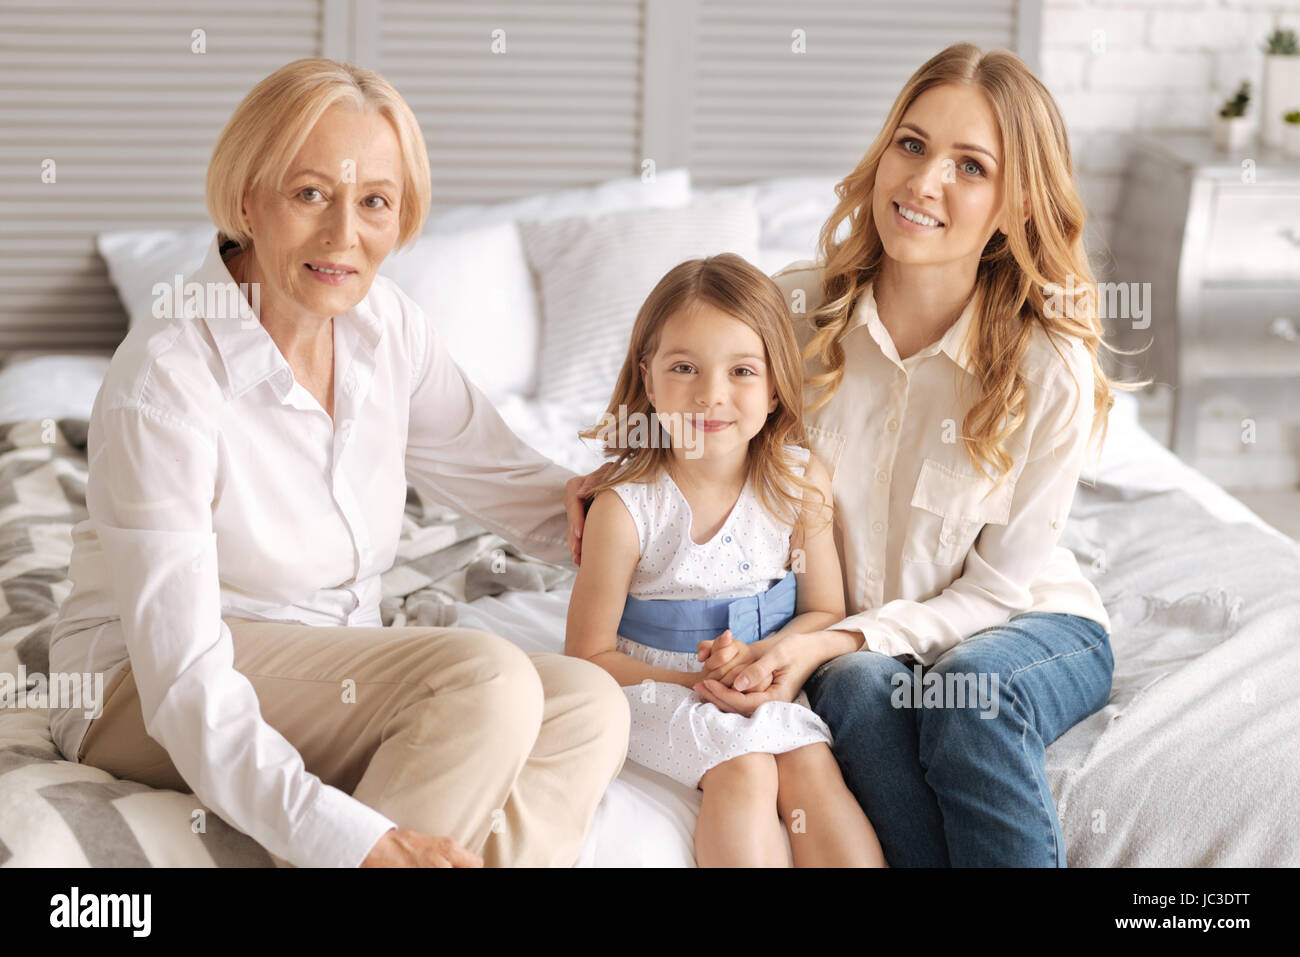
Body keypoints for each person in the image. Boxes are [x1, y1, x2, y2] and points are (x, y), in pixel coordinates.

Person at [565, 43, 1141, 867]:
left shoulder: (1050, 364)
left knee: (964, 701)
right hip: (854, 642)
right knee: (855, 693)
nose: (925, 182)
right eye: (912, 145)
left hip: (1022, 619)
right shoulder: (796, 312)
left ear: (1015, 206)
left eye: (969, 166)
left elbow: (1001, 587)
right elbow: (699, 394)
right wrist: (618, 471)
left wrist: (832, 640)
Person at [47, 57, 628, 869]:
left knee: (588, 705)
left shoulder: (386, 325)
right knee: (485, 681)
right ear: (249, 198)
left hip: (331, 672)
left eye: (374, 203)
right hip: (145, 686)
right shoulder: (169, 377)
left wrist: (663, 519)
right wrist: (345, 838)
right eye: (310, 193)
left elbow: (517, 486)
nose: (343, 236)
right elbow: (182, 675)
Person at [564, 254, 885, 867]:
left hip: (760, 678)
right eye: (684, 367)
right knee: (744, 769)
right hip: (659, 687)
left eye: (741, 370)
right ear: (649, 381)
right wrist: (698, 684)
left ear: (773, 387)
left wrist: (763, 664)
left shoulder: (798, 483)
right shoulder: (627, 508)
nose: (710, 395)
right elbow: (588, 656)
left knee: (811, 768)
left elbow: (825, 610)